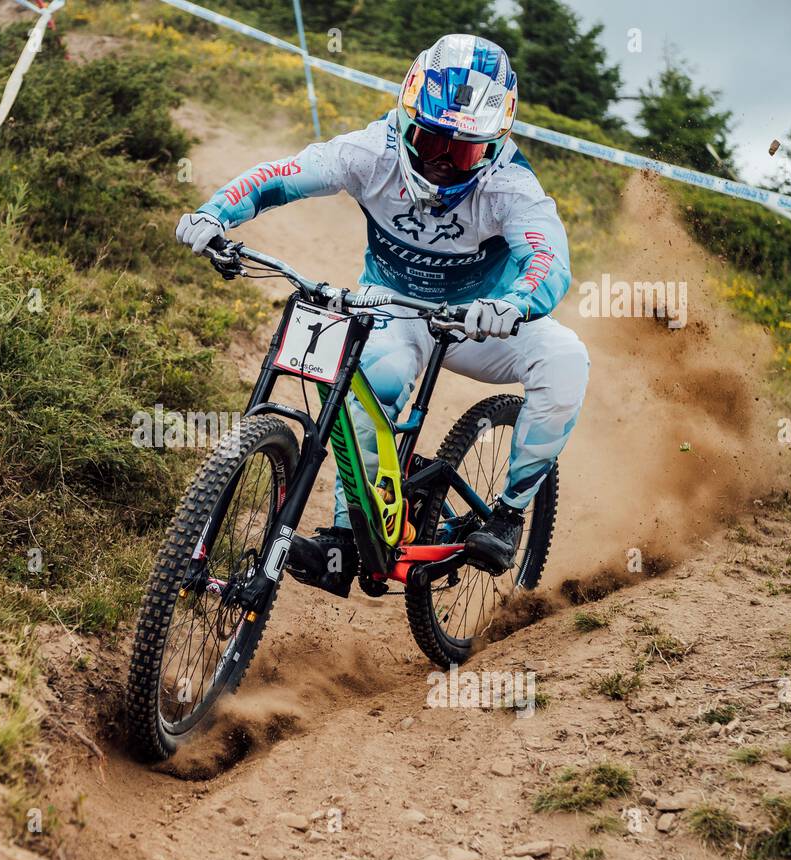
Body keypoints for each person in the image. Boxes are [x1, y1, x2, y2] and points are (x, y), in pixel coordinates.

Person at [175, 33, 589, 596]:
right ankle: (347, 541)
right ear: (405, 116)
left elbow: (548, 259)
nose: (443, 163)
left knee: (566, 360)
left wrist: (513, 303)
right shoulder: (371, 151)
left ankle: (509, 515)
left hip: (480, 321)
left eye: (462, 151)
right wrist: (214, 214)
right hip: (392, 309)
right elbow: (281, 175)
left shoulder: (511, 186)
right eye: (430, 141)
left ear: (493, 145)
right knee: (371, 383)